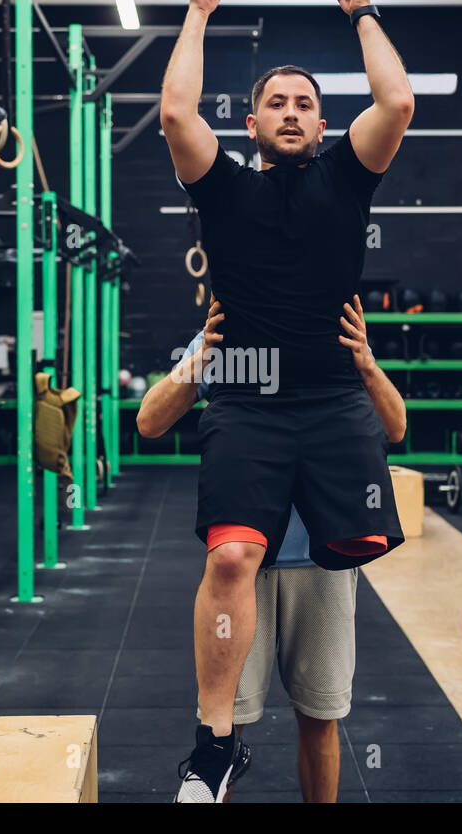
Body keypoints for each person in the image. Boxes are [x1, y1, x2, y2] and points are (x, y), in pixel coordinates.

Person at [159, 0, 414, 802]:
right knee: (231, 554)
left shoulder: (349, 177)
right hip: (244, 402)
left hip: (336, 400)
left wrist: (362, 10)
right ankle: (214, 745)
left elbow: (399, 103)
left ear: (323, 120)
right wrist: (198, 11)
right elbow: (173, 113)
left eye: (306, 102)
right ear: (252, 121)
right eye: (277, 102)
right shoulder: (224, 190)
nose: (293, 111)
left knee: (347, 564)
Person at [138, 294, 406, 802]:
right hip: (243, 569)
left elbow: (396, 425)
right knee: (224, 734)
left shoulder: (331, 333)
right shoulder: (228, 336)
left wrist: (367, 364)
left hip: (321, 562)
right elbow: (149, 422)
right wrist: (198, 363)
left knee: (321, 719)